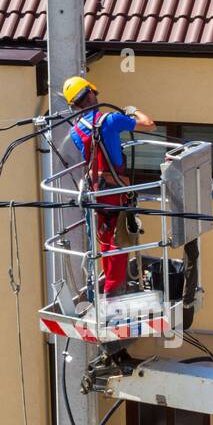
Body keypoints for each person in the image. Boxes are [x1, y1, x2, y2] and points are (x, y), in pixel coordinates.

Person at [62, 75, 155, 297]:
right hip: (116, 189)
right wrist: (133, 111)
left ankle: (112, 285)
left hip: (97, 190)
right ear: (91, 94)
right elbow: (149, 125)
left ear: (74, 105)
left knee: (105, 237)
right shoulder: (111, 120)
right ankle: (115, 291)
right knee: (119, 239)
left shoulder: (76, 132)